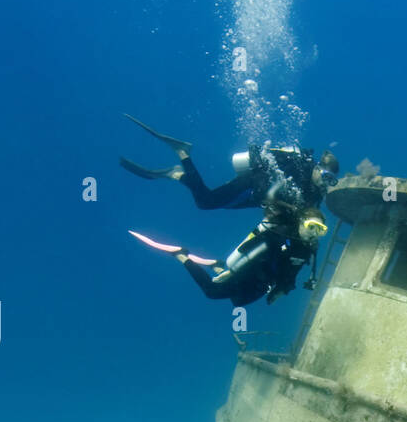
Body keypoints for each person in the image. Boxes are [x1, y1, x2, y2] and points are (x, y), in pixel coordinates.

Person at [119, 113, 339, 213]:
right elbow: (272, 191)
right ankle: (182, 154)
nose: (324, 183)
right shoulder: (299, 166)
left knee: (209, 202)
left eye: (330, 181)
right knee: (206, 202)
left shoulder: (313, 190)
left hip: (253, 197)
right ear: (318, 167)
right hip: (251, 185)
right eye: (325, 176)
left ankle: (176, 174)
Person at [129, 208, 328, 307]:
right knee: (212, 292)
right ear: (301, 222)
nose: (313, 233)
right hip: (250, 272)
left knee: (238, 302)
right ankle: (181, 256)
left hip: (265, 281)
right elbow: (251, 254)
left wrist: (282, 289)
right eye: (311, 226)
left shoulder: (308, 248)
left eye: (320, 230)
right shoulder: (277, 236)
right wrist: (232, 272)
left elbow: (293, 270)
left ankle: (217, 266)